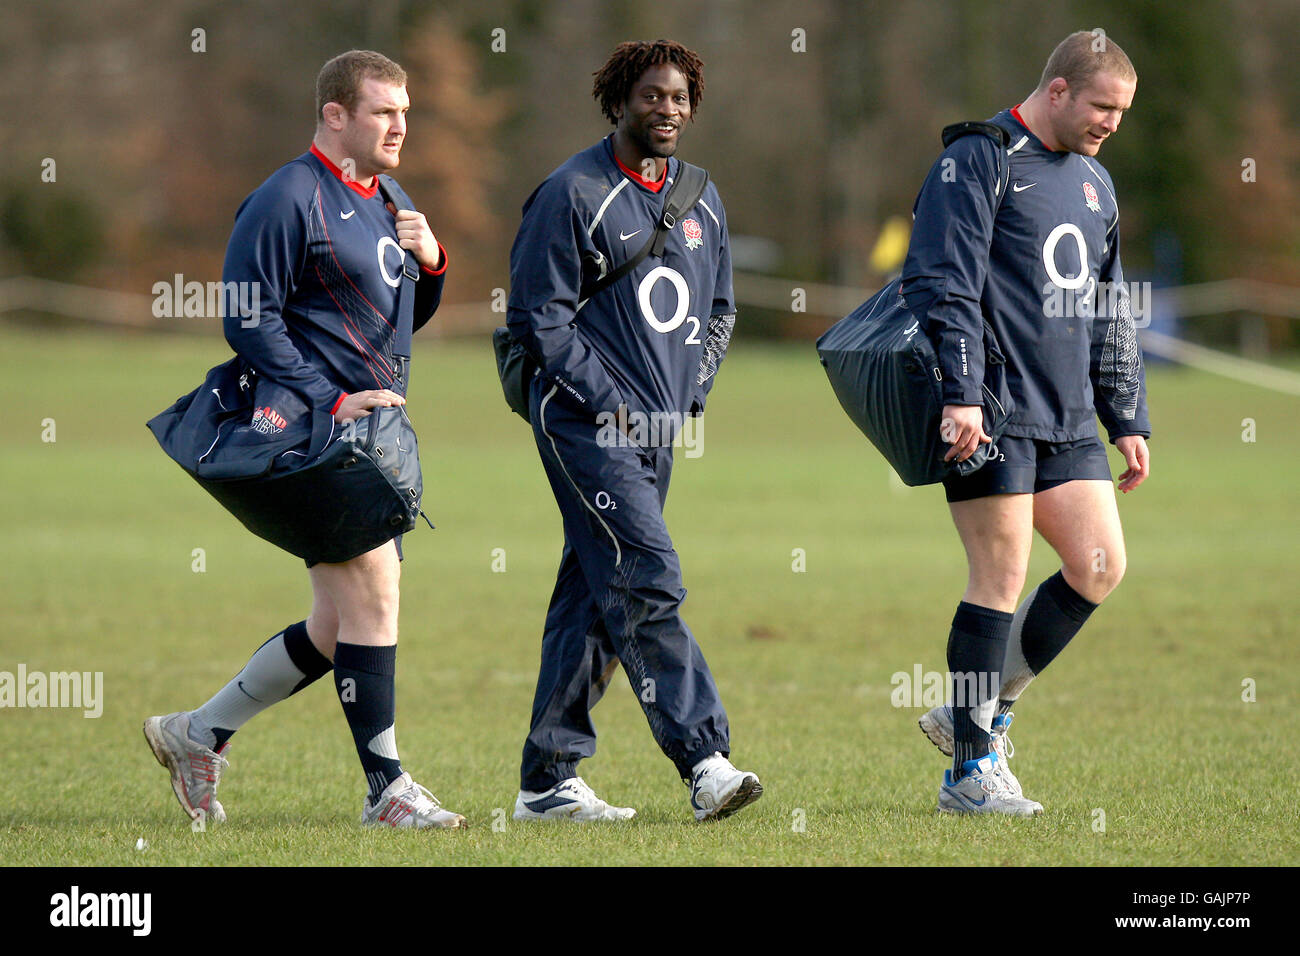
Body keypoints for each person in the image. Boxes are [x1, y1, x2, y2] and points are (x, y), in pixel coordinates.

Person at [143, 50, 464, 829]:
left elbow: (397, 321)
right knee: (376, 597)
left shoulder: (388, 194)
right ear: (336, 115)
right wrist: (331, 400)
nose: (401, 126)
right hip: (311, 434)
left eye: (406, 110)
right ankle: (387, 788)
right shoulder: (287, 196)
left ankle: (197, 734)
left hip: (369, 437)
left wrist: (433, 264)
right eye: (384, 111)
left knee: (337, 622)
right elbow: (247, 316)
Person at [506, 40, 761, 822]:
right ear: (619, 102)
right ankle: (705, 760)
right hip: (584, 424)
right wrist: (609, 399)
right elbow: (536, 320)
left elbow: (718, 311)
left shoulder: (703, 197)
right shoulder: (572, 192)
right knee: (647, 577)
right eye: (653, 95)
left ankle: (547, 782)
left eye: (681, 97)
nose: (669, 109)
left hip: (659, 430)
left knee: (593, 594)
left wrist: (691, 397)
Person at [900, 31, 1151, 815]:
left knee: (1100, 565)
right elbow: (945, 279)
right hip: (993, 409)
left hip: (1070, 413)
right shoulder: (977, 158)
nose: (1112, 122)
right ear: (1058, 92)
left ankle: (973, 713)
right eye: (1102, 106)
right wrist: (962, 392)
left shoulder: (1097, 185)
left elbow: (1110, 306)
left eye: (1123, 112)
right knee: (1000, 578)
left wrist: (1125, 414)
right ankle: (969, 775)